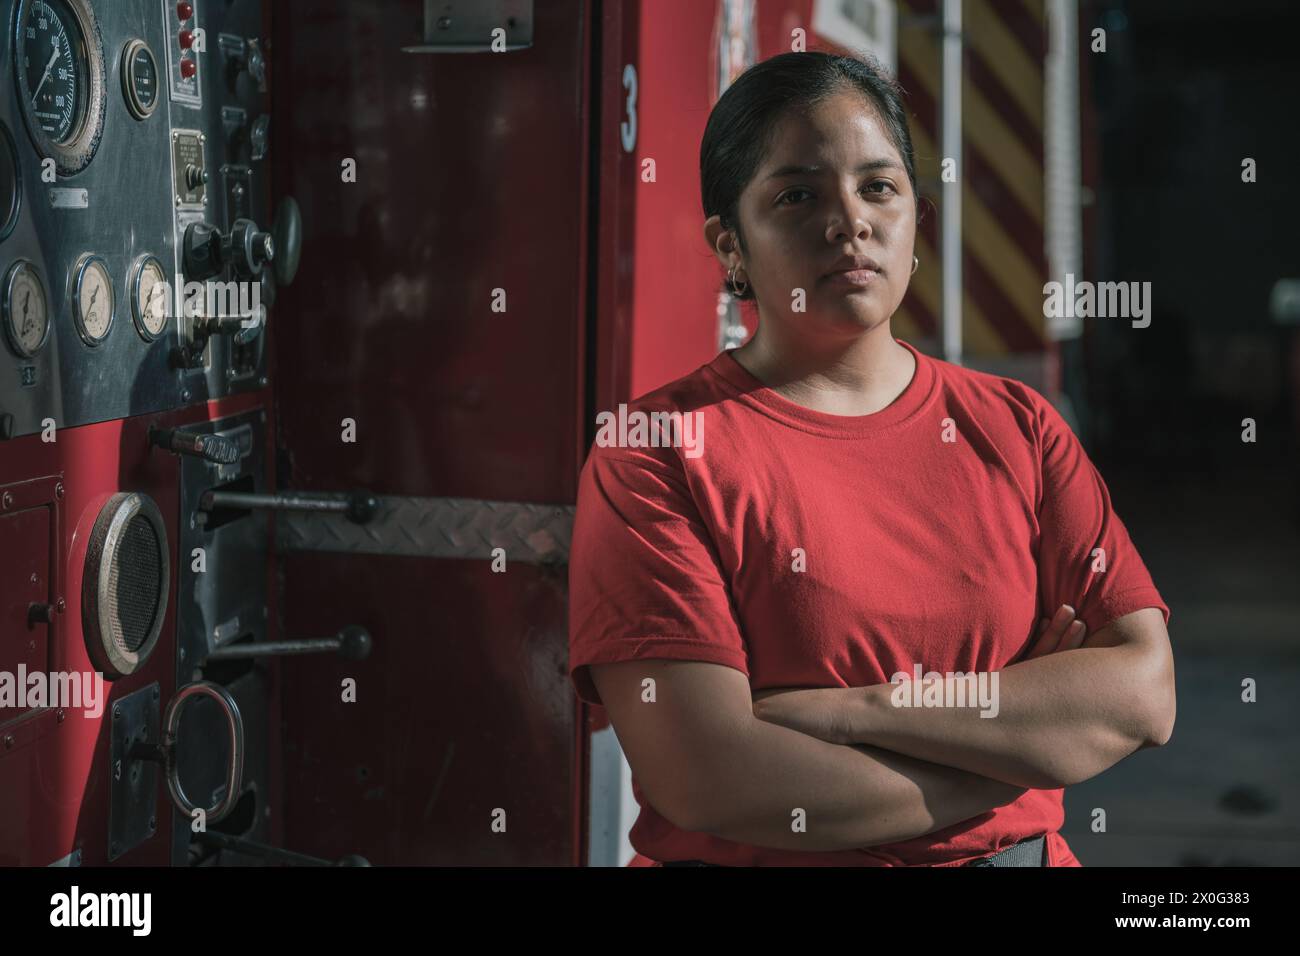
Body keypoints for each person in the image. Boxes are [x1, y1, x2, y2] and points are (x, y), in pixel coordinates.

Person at [567, 51, 1174, 867]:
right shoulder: (656, 456)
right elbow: (711, 777)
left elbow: (1141, 695)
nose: (849, 220)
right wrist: (1013, 761)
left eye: (878, 187)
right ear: (730, 246)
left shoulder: (1019, 428)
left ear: (914, 221)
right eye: (797, 195)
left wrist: (855, 710)